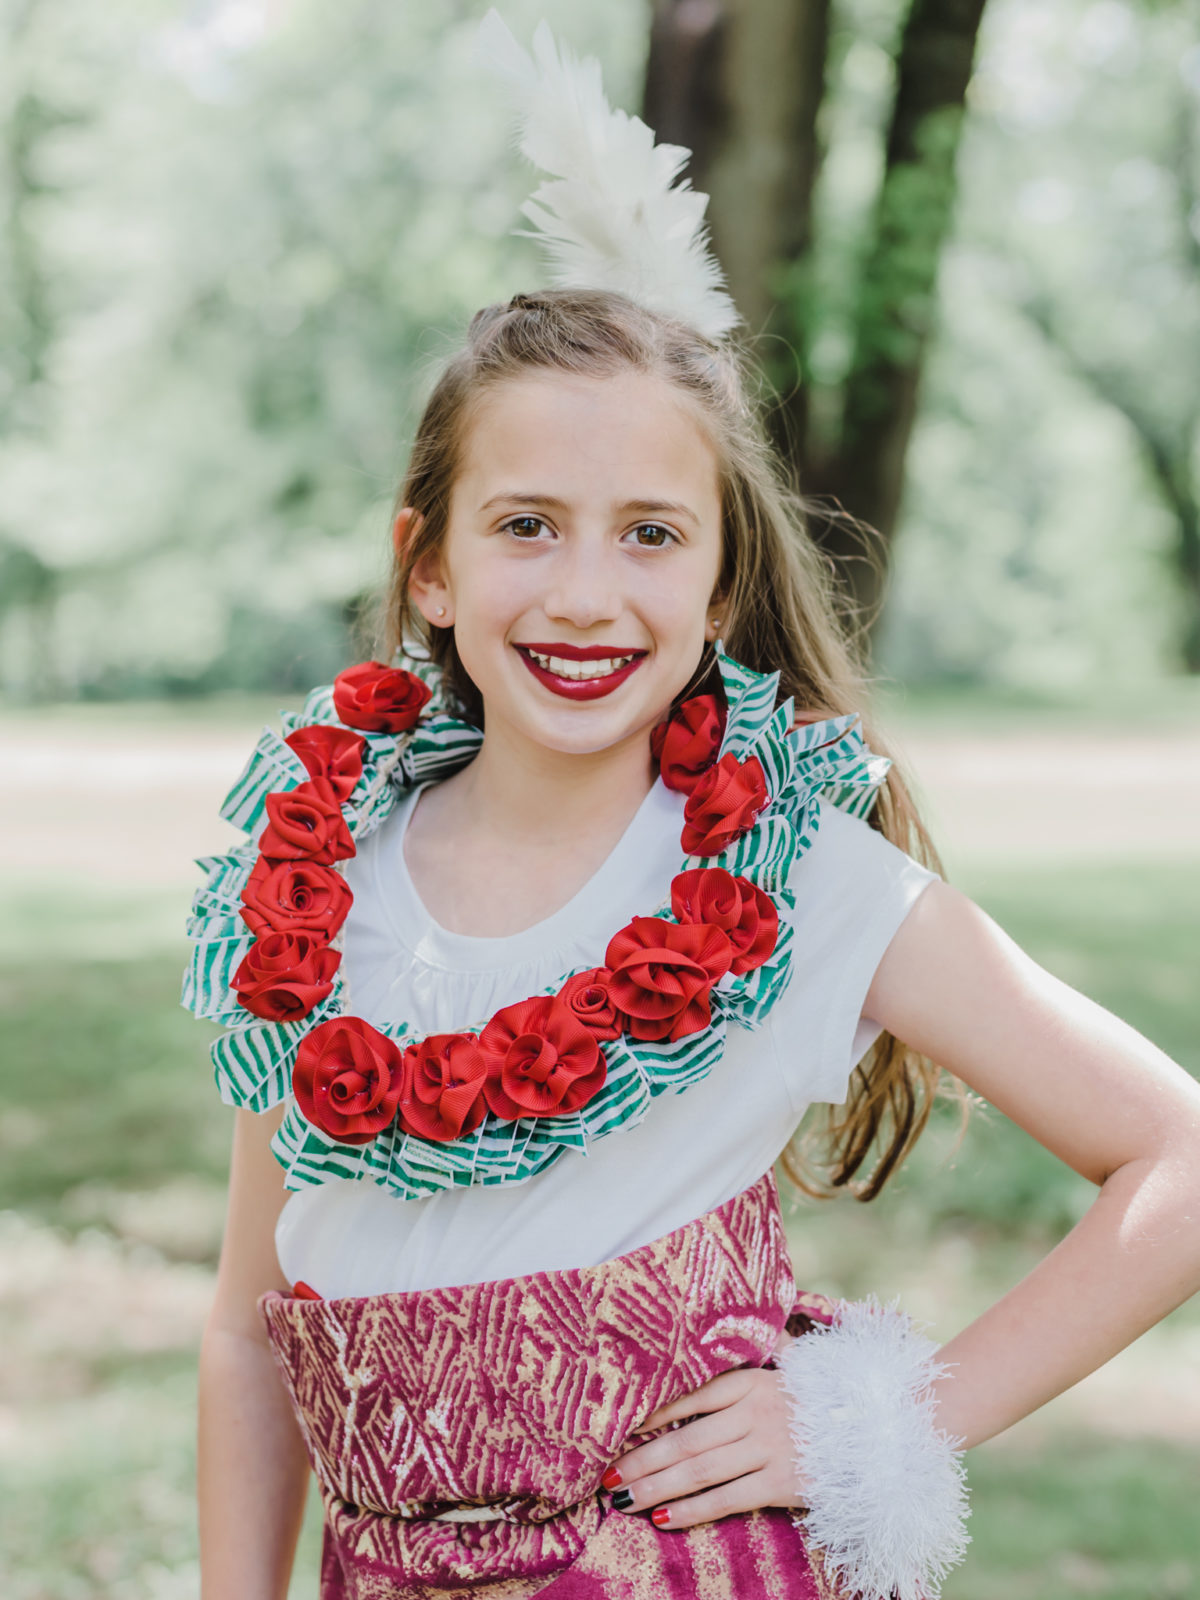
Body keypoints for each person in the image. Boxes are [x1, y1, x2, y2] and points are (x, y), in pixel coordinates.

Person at [187, 15, 1200, 1600]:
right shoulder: (311, 900)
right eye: (527, 524)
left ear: (721, 584)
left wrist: (891, 1418)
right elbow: (256, 1336)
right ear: (430, 568)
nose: (587, 594)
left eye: (651, 535)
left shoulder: (800, 889)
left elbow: (1179, 1157)